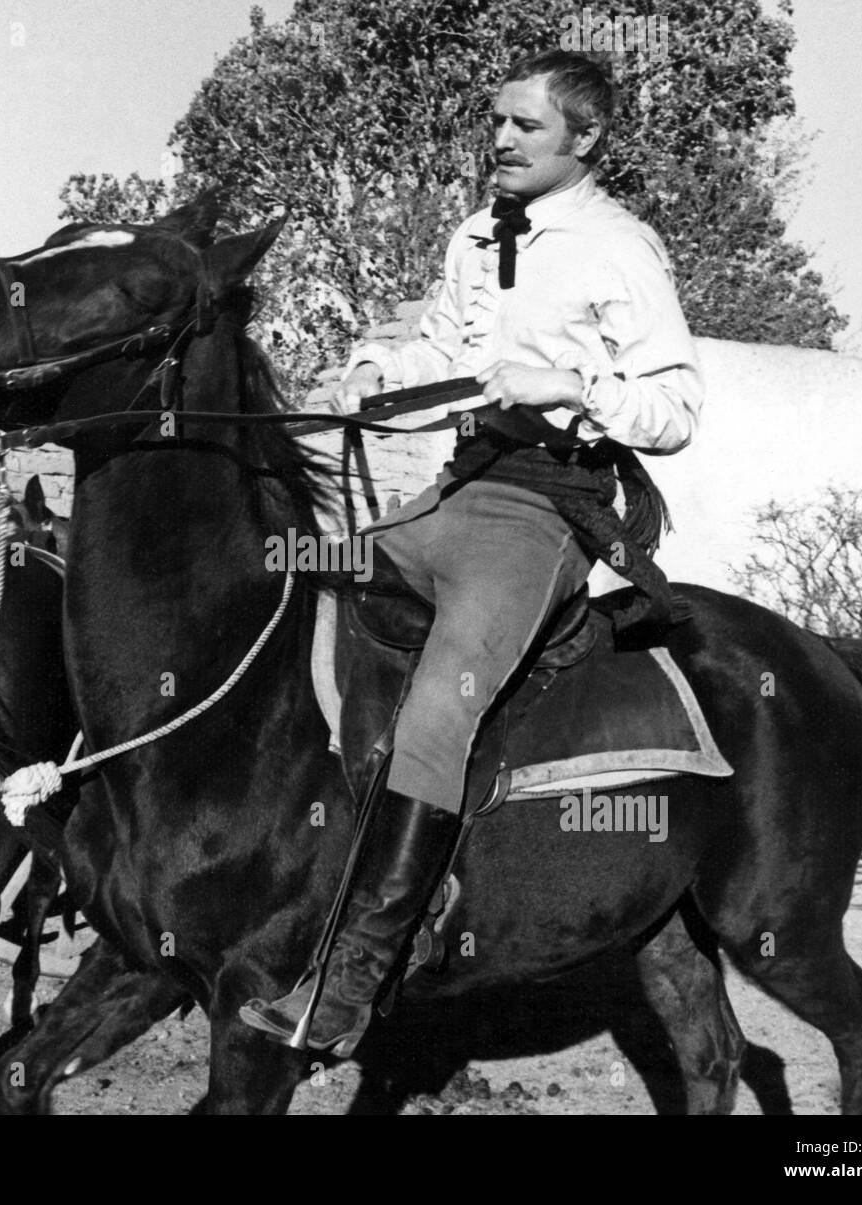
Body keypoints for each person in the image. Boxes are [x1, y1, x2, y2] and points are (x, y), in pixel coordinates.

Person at [240, 49, 703, 1057]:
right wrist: (374, 367)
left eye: (523, 126)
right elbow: (446, 359)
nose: (498, 138)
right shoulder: (473, 234)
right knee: (284, 574)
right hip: (447, 494)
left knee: (439, 707)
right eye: (494, 120)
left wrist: (573, 382)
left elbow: (673, 410)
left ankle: (358, 972)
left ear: (582, 140)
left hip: (539, 515)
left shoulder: (621, 248)